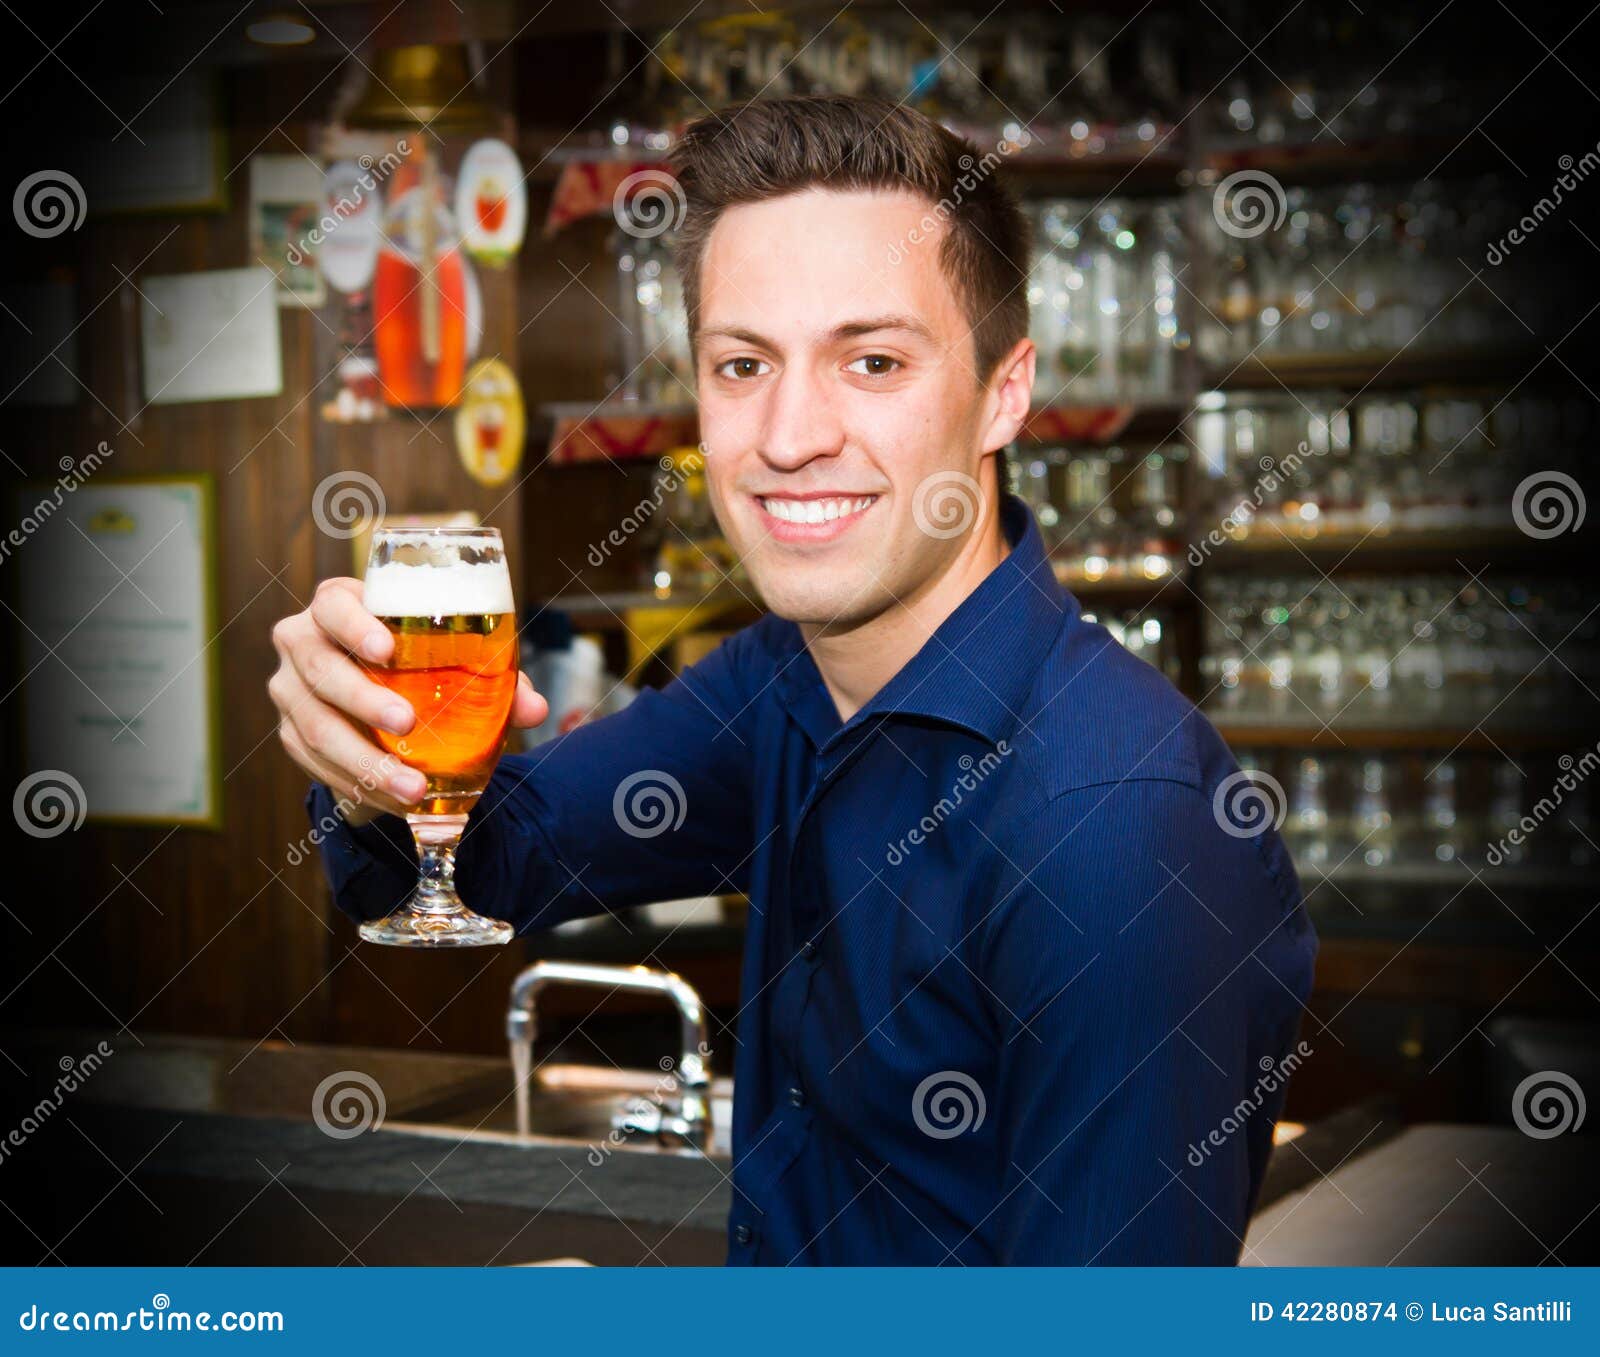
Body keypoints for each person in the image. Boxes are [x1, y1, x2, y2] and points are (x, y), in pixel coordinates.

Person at [269, 94, 1316, 1265]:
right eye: (741, 363)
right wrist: (364, 765)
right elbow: (498, 859)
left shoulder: (1122, 827)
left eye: (871, 360)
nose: (788, 432)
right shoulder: (786, 679)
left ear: (1004, 392)